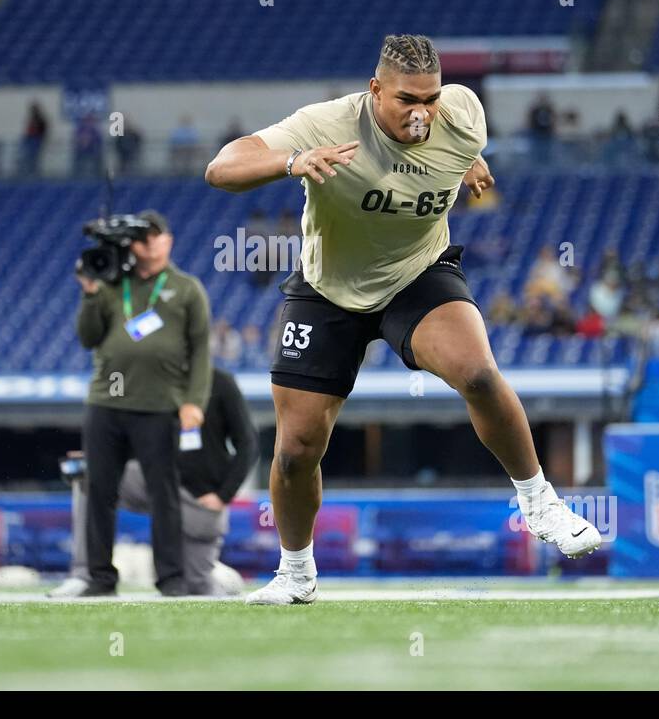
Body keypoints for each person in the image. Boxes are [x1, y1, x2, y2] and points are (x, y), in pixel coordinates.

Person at [205, 33, 602, 605]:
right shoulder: (326, 123)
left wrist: (467, 161)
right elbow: (221, 168)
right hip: (328, 290)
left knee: (478, 374)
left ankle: (541, 503)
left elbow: (450, 143)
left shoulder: (463, 114)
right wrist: (292, 162)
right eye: (405, 101)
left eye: (429, 99)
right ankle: (296, 572)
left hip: (416, 273)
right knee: (295, 449)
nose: (421, 112)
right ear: (373, 92)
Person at [71, 209, 212, 596]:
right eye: (140, 238)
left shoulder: (186, 288)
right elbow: (87, 337)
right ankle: (98, 577)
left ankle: (171, 579)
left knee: (163, 494)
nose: (147, 244)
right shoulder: (114, 285)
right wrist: (89, 294)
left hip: (160, 405)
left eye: (154, 236)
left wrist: (193, 402)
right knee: (99, 490)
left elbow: (201, 351)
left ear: (168, 240)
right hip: (106, 403)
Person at [52, 367, 255, 598]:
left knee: (198, 586)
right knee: (90, 477)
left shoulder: (220, 382)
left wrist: (223, 495)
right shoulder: (148, 379)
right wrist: (100, 460)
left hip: (198, 499)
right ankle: (83, 575)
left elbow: (248, 443)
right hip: (154, 482)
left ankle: (222, 576)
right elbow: (133, 438)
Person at [21, 102, 49, 177]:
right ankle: (30, 171)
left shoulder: (40, 118)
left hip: (36, 140)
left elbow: (43, 129)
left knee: (35, 157)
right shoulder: (31, 118)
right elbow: (28, 130)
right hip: (30, 140)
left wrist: (41, 137)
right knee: (29, 157)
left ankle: (34, 172)